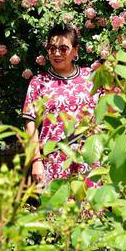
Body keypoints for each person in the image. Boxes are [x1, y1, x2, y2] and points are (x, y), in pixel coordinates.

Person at [23, 24, 99, 191]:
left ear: (75, 51)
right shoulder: (38, 83)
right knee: (56, 212)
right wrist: (36, 162)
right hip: (54, 160)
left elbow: (107, 115)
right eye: (52, 48)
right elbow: (30, 125)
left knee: (93, 212)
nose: (57, 53)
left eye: (63, 48)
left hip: (90, 158)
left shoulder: (92, 77)